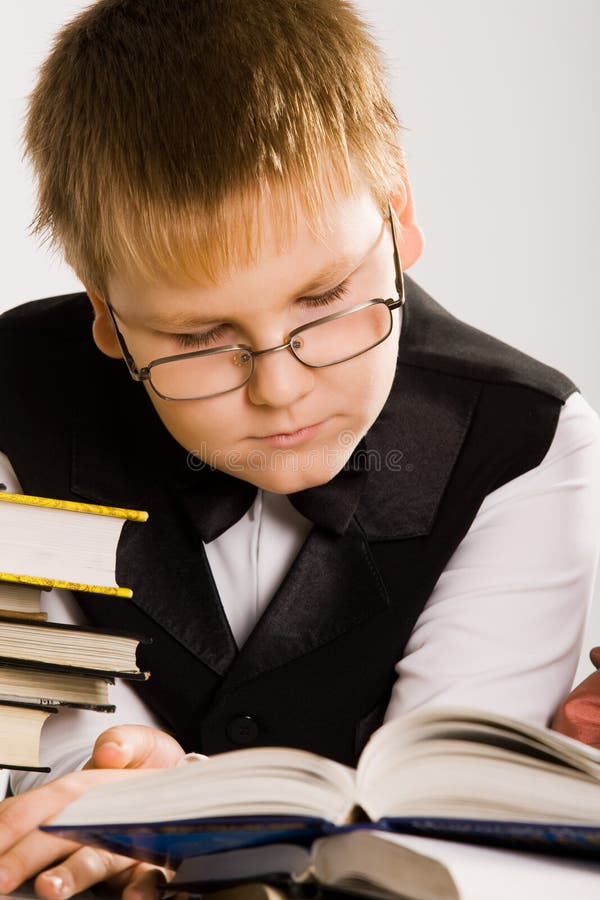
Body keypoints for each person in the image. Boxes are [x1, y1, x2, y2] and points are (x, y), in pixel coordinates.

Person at [0, 0, 599, 897]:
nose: (279, 388)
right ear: (107, 313)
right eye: (200, 337)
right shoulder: (14, 406)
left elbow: (452, 806)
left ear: (398, 218)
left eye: (323, 301)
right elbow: (53, 744)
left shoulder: (525, 443)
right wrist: (115, 784)